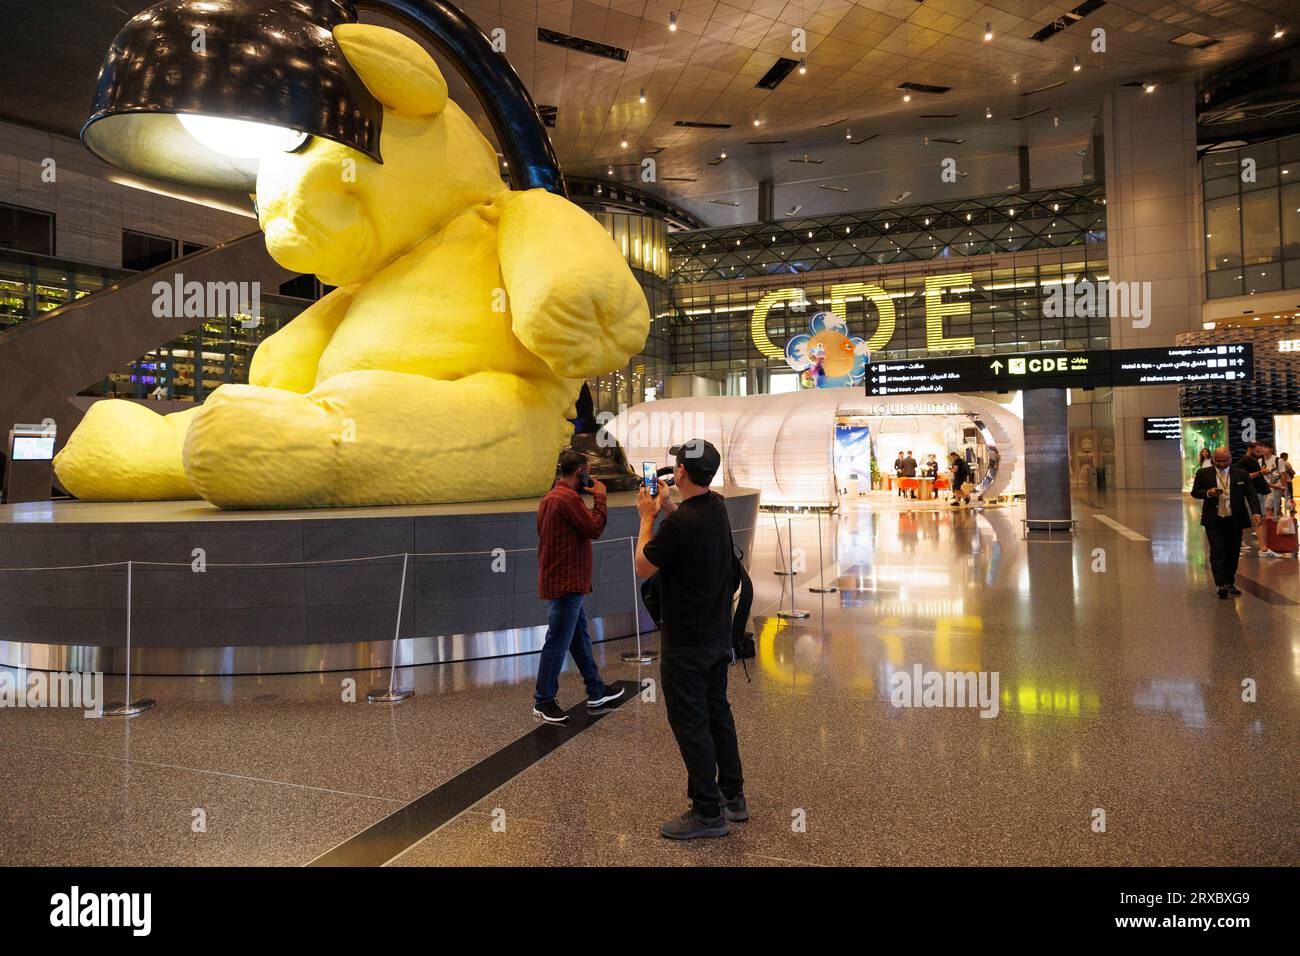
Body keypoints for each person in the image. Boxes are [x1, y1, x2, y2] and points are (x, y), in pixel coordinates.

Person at [635, 438, 746, 840]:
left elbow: (643, 567)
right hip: (716, 636)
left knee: (691, 722)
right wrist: (667, 506)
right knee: (718, 712)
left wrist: (648, 517)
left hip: (686, 645)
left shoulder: (679, 525)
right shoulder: (714, 507)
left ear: (681, 472)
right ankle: (732, 795)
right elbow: (689, 523)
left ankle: (706, 812)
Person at [531, 450, 624, 723]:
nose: (590, 477)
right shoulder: (568, 498)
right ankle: (543, 700)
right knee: (557, 642)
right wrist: (601, 497)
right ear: (580, 471)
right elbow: (594, 528)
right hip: (567, 582)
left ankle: (595, 689)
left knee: (578, 638)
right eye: (587, 471)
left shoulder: (549, 498)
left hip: (561, 578)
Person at [1191, 446, 1262, 598]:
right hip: (1214, 520)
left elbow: (1251, 494)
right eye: (1218, 461)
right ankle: (1220, 584)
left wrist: (1256, 512)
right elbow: (1195, 492)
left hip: (1235, 519)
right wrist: (1208, 493)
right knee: (1217, 551)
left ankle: (1229, 582)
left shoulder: (1241, 474)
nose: (1222, 464)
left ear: (1230, 459)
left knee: (1233, 552)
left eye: (1225, 461)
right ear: (1213, 459)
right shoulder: (1203, 473)